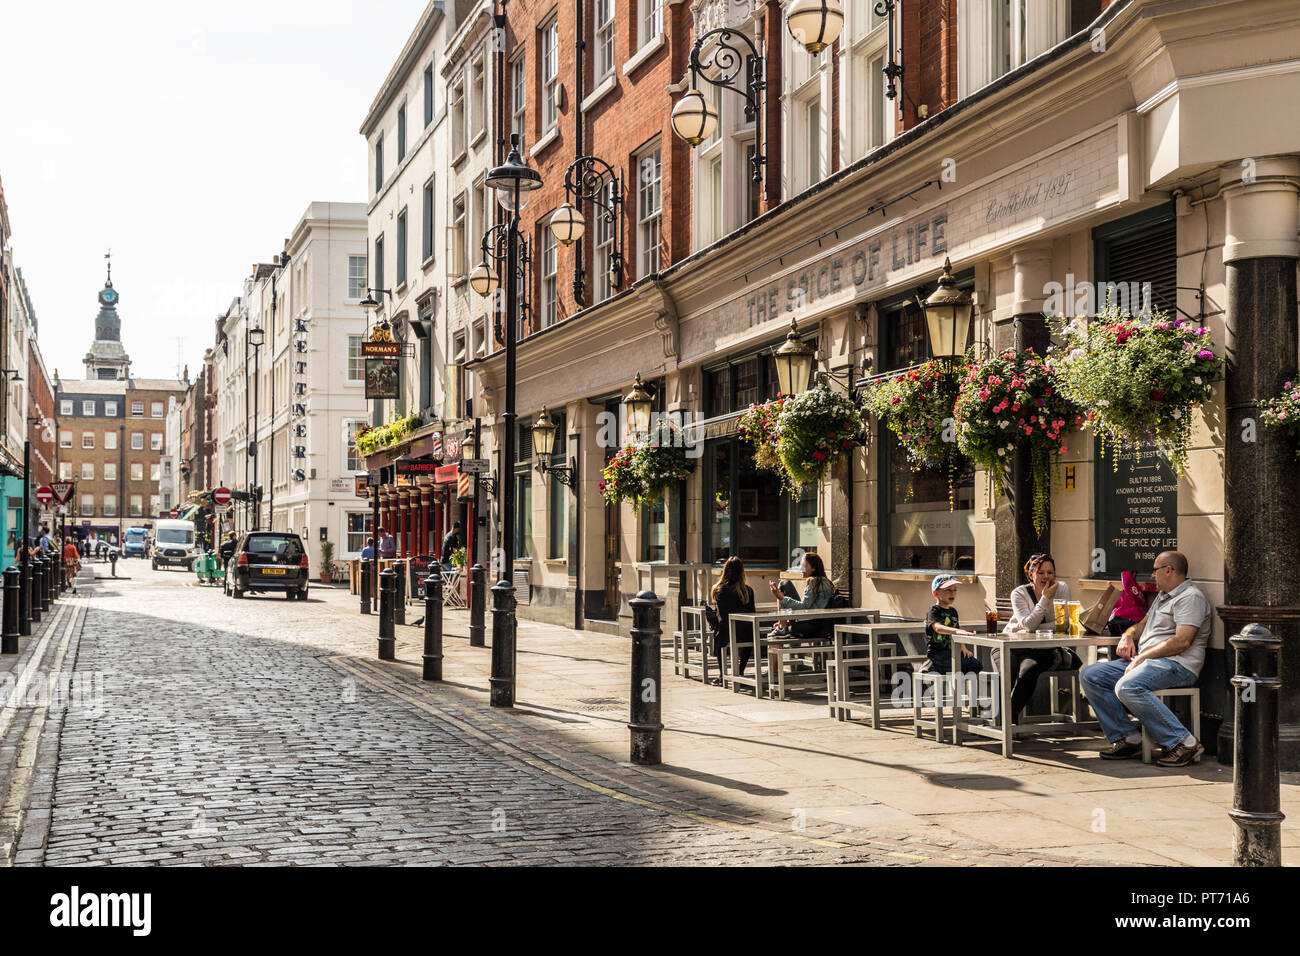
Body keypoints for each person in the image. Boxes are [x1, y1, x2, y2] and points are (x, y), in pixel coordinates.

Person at [1080, 551, 1212, 767]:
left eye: (1155, 570)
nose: (1152, 575)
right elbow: (1142, 625)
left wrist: (1141, 659)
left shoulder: (1191, 597)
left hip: (1177, 665)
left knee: (1128, 686)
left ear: (1169, 570)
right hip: (1149, 661)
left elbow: (1182, 641)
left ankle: (1183, 742)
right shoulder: (1163, 596)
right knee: (1090, 675)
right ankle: (1129, 739)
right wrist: (1127, 635)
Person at [1002, 553, 1079, 722]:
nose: (1046, 577)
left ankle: (1008, 719)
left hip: (1042, 649)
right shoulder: (1019, 594)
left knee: (1028, 670)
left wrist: (1034, 628)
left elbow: (1063, 624)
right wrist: (1045, 600)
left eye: (1050, 572)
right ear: (1031, 575)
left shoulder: (1062, 588)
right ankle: (996, 716)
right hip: (1012, 644)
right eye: (1041, 572)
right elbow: (1030, 624)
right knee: (1007, 670)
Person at [767, 552, 834, 638]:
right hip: (813, 621)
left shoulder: (815, 582)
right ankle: (781, 625)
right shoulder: (824, 581)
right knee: (784, 584)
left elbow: (804, 607)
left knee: (784, 584)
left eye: (804, 566)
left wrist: (781, 597)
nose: (801, 569)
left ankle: (782, 626)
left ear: (813, 568)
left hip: (811, 624)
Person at [710, 556, 756, 680]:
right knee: (749, 639)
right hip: (744, 632)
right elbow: (752, 612)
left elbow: (722, 615)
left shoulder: (719, 590)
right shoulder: (748, 591)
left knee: (719, 641)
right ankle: (740, 671)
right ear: (742, 572)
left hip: (726, 632)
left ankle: (722, 674)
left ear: (725, 571)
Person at [925, 573, 981, 674]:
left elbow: (957, 629)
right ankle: (932, 666)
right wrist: (957, 631)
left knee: (976, 665)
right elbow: (937, 627)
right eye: (948, 590)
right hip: (938, 652)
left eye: (955, 589)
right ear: (936, 593)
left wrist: (963, 648)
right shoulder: (933, 610)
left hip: (953, 651)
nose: (952, 593)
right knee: (957, 668)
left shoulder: (953, 611)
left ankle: (960, 685)